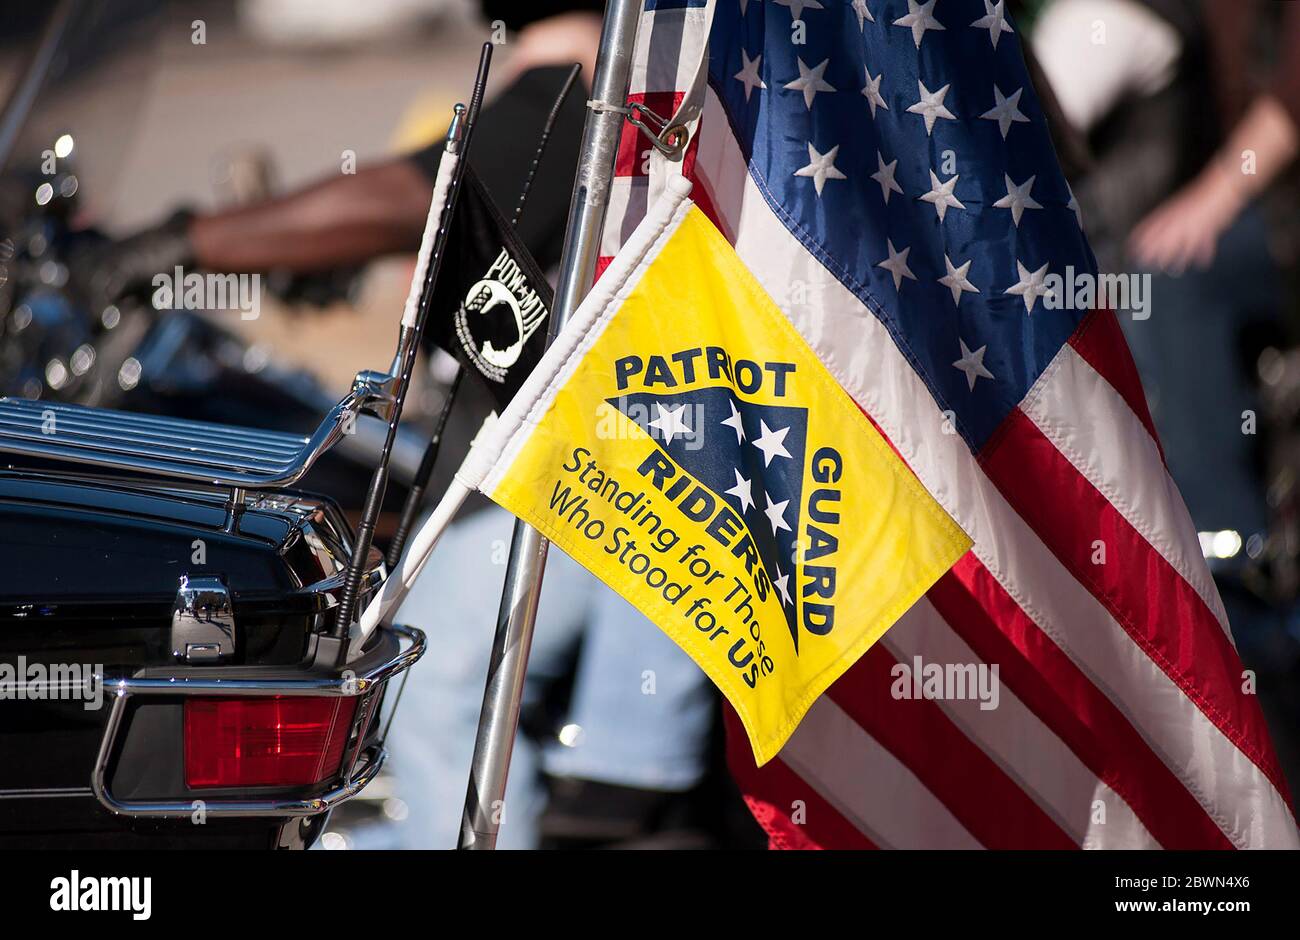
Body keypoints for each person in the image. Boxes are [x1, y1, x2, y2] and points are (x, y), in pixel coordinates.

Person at [82, 2, 718, 849]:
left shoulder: (586, 87)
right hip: (617, 483)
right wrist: (313, 250)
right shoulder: (642, 94)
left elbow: (413, 197)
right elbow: (465, 223)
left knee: (418, 685)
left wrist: (185, 239)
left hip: (559, 498)